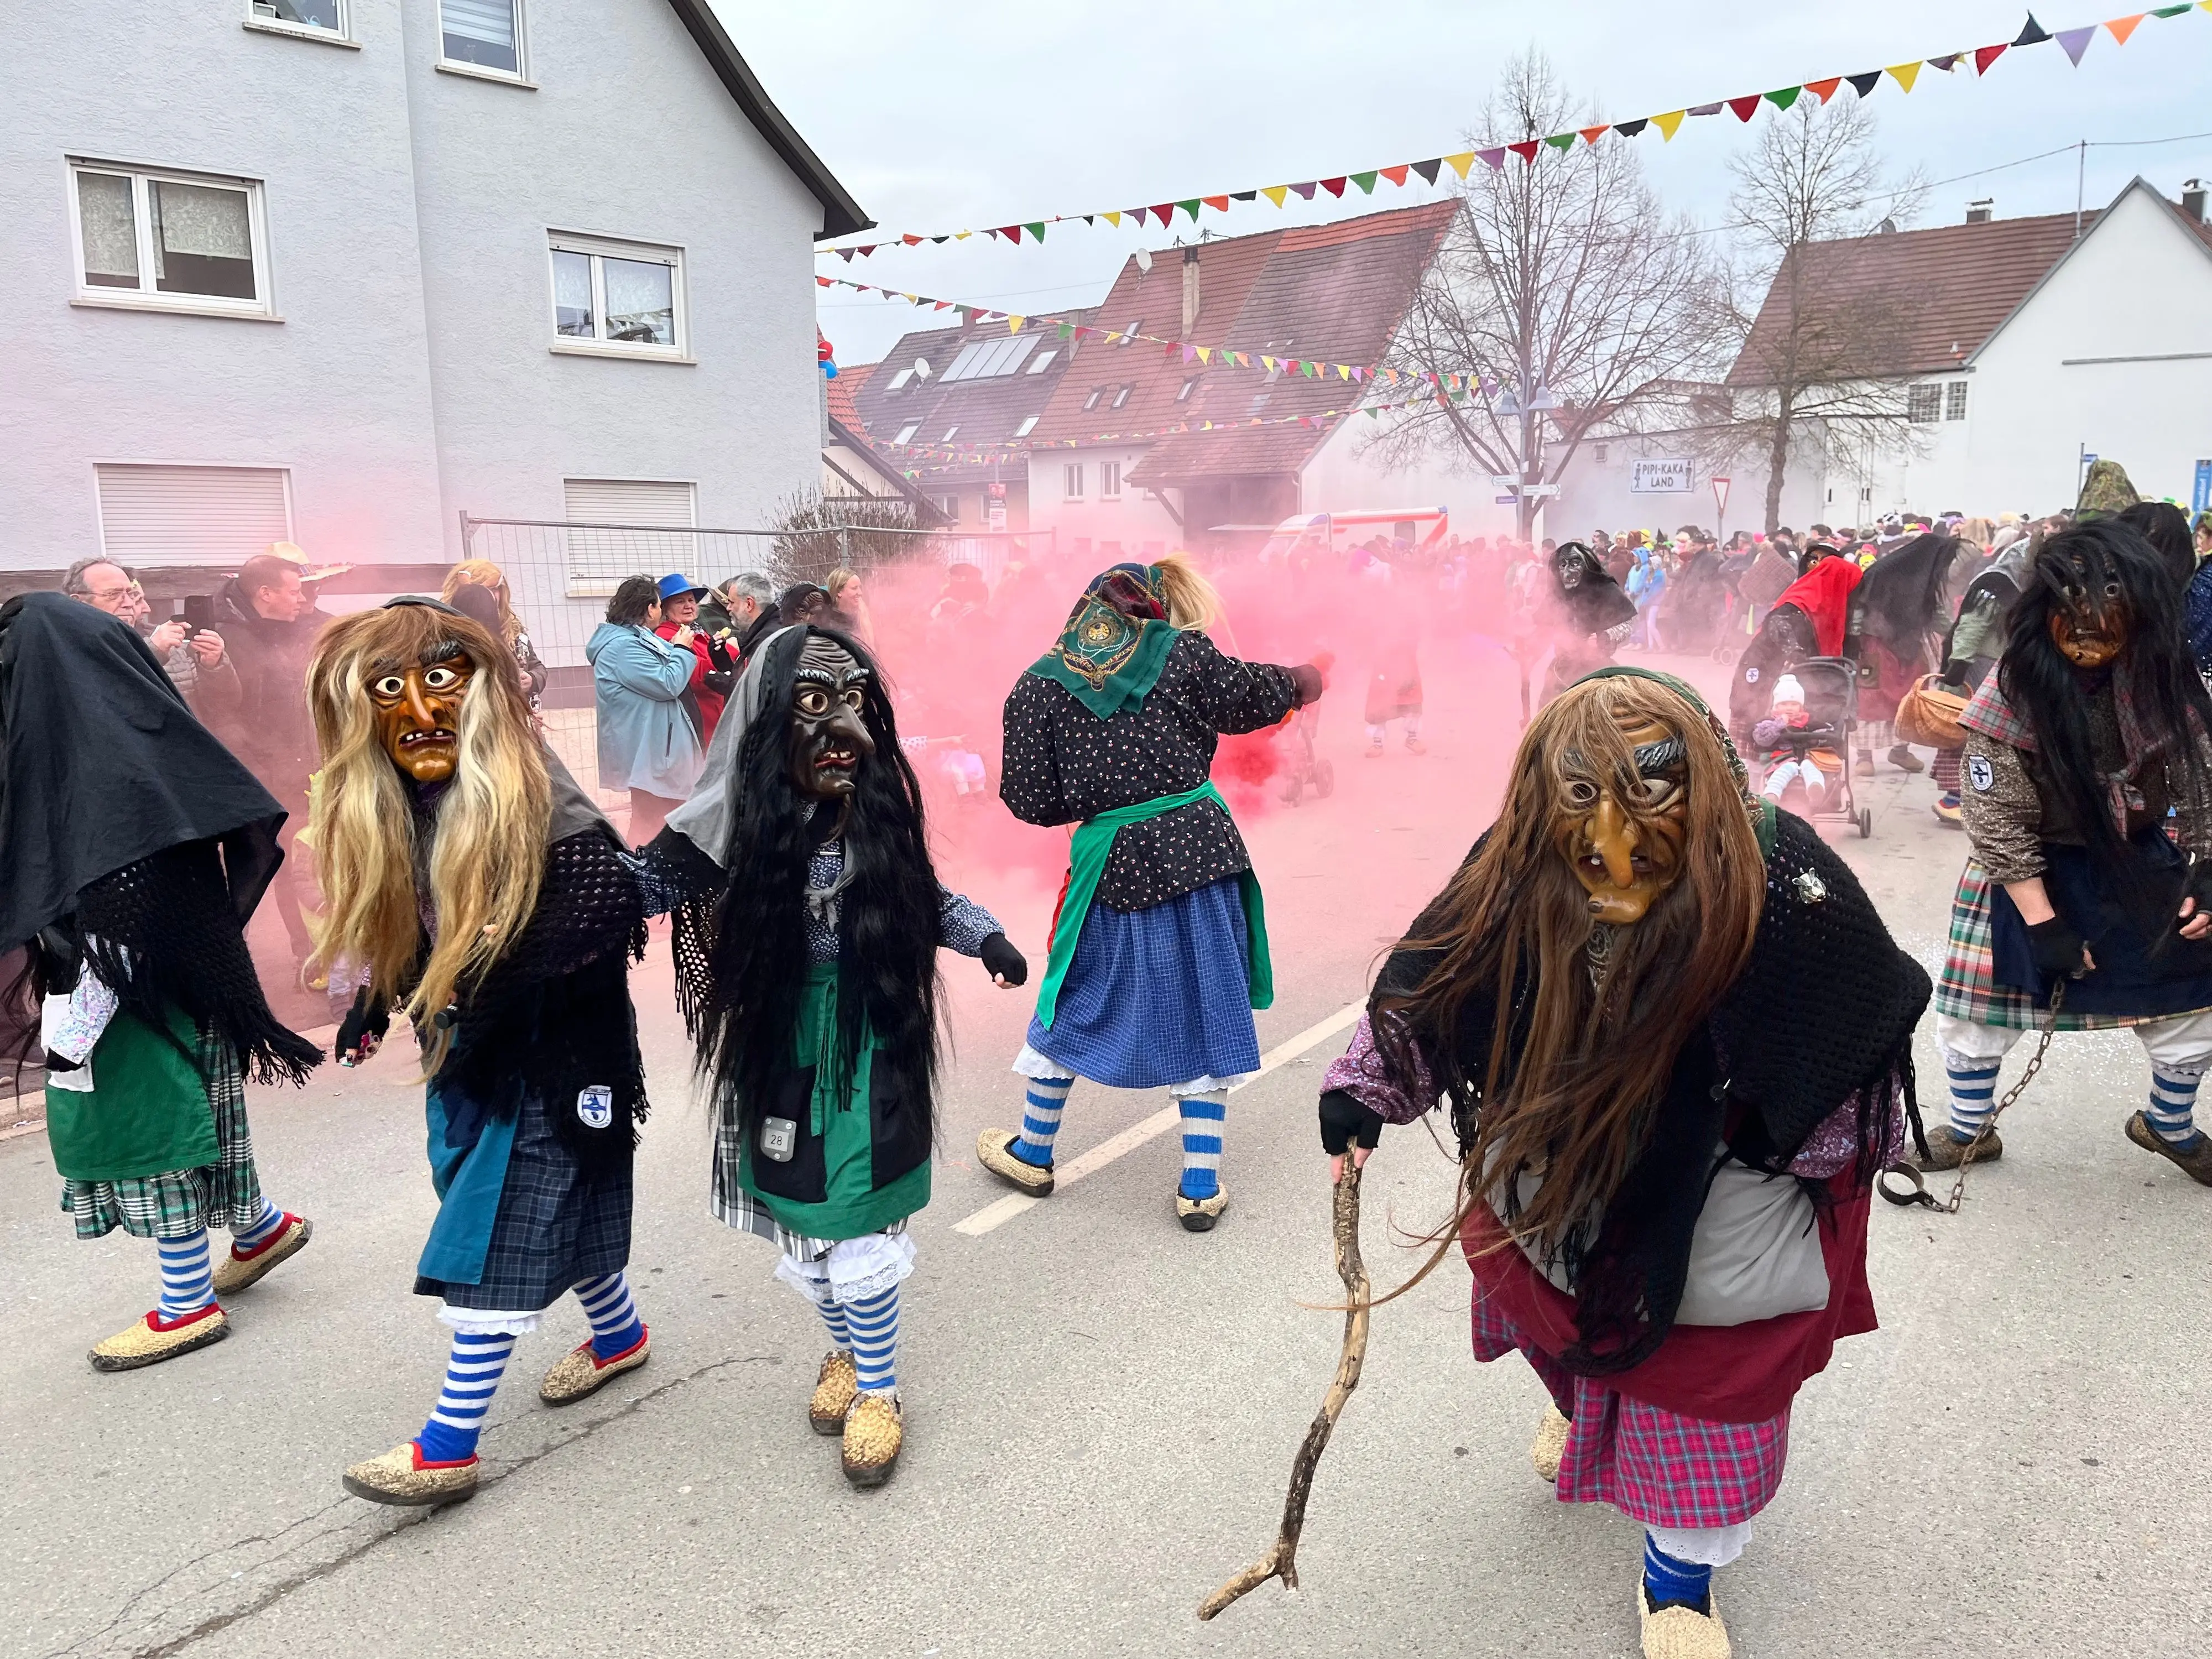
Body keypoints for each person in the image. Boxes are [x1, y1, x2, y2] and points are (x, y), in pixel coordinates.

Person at [1317, 667, 1926, 1659]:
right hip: (1556, 1155)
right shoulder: (1510, 864)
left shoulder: (1785, 875)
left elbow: (1855, 1026)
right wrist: (1367, 1088)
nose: (1611, 850)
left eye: (1650, 803)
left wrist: (1816, 1143)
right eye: (1579, 805)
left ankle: (1677, 1582)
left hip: (1730, 1179)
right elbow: (1437, 980)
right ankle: (1582, 1408)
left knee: (1709, 1382)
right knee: (1544, 1303)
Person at [641, 622, 1025, 1486]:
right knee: (806, 1223)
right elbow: (639, 887)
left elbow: (929, 899)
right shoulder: (733, 832)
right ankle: (846, 1353)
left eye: (854, 704)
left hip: (869, 1045)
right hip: (779, 1050)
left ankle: (880, 1390)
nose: (843, 731)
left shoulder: (875, 825)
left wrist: (986, 937)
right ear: (769, 724)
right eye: (815, 705)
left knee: (855, 1219)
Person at [309, 599, 657, 1506]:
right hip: (469, 1046)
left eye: (438, 685)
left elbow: (606, 898)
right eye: (390, 690)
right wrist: (376, 1004)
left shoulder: (531, 789)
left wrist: (498, 993)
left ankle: (448, 1444)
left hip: (551, 1054)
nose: (418, 712)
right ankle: (619, 1337)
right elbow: (420, 922)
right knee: (560, 1201)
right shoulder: (410, 792)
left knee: (493, 1225)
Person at [1, 593, 320, 1371]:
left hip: (126, 982)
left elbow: (116, 885)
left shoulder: (87, 759)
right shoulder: (140, 734)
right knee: (201, 1109)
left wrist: (83, 1011)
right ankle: (261, 1228)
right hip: (185, 970)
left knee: (155, 1132)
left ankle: (186, 1306)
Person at [976, 558, 1325, 1229]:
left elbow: (1029, 800)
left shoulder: (1036, 686)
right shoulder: (1184, 655)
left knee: (1077, 994)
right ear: (1158, 608)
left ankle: (1033, 1152)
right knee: (1204, 998)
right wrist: (1306, 680)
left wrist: (1101, 802)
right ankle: (1199, 1185)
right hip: (1199, 847)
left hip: (1109, 864)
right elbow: (1255, 696)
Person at [1928, 518, 2212, 1186]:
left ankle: (2167, 1127)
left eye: (2109, 602)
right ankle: (1970, 1132)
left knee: (2194, 1000)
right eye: (2071, 606)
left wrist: (2208, 865)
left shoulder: (2161, 680)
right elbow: (1995, 816)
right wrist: (2045, 924)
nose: (2088, 625)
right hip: (2026, 871)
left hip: (2135, 862)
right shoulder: (2012, 690)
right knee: (1975, 1017)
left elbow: (2202, 780)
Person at [210, 547, 341, 969]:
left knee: (307, 860)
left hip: (303, 767)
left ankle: (320, 949)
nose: (304, 599)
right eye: (295, 591)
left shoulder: (292, 627)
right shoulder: (230, 638)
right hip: (262, 777)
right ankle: (281, 959)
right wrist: (264, 768)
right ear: (265, 593)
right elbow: (224, 712)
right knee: (275, 867)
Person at [586, 576, 704, 846]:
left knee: (662, 823)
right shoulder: (621, 647)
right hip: (650, 758)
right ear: (649, 609)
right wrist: (683, 649)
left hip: (657, 754)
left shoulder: (636, 639)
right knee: (651, 826)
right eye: (660, 605)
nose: (661, 612)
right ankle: (638, 880)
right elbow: (668, 684)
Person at [1849, 532, 1962, 774]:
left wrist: (1956, 632)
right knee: (1870, 699)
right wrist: (1856, 638)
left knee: (1908, 698)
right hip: (1875, 646)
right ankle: (1864, 757)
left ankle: (1900, 751)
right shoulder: (1880, 572)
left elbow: (1935, 615)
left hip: (1908, 648)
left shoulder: (1923, 579)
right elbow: (1859, 604)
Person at [440, 559, 549, 719]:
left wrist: (533, 679)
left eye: (496, 589)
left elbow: (537, 666)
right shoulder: (445, 633)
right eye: (485, 590)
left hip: (515, 720)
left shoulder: (513, 629)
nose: (492, 596)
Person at [652, 572, 733, 742]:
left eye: (691, 600)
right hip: (700, 723)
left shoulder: (696, 630)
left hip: (715, 718)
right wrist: (732, 650)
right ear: (665, 608)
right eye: (680, 602)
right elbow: (698, 677)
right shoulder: (667, 636)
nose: (688, 606)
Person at [1751, 673, 1842, 810]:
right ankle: (1772, 794)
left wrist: (1825, 736)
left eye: (1794, 704)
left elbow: (1824, 731)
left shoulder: (1809, 722)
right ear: (1775, 707)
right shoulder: (1769, 723)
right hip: (1782, 760)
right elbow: (1762, 738)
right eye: (1784, 704)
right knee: (1786, 769)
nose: (1789, 708)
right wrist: (1780, 724)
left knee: (1810, 766)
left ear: (1801, 707)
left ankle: (1815, 789)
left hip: (1808, 759)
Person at [822, 567, 875, 647]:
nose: (860, 593)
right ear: (839, 591)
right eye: (854, 588)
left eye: (860, 588)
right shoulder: (828, 624)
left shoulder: (865, 617)